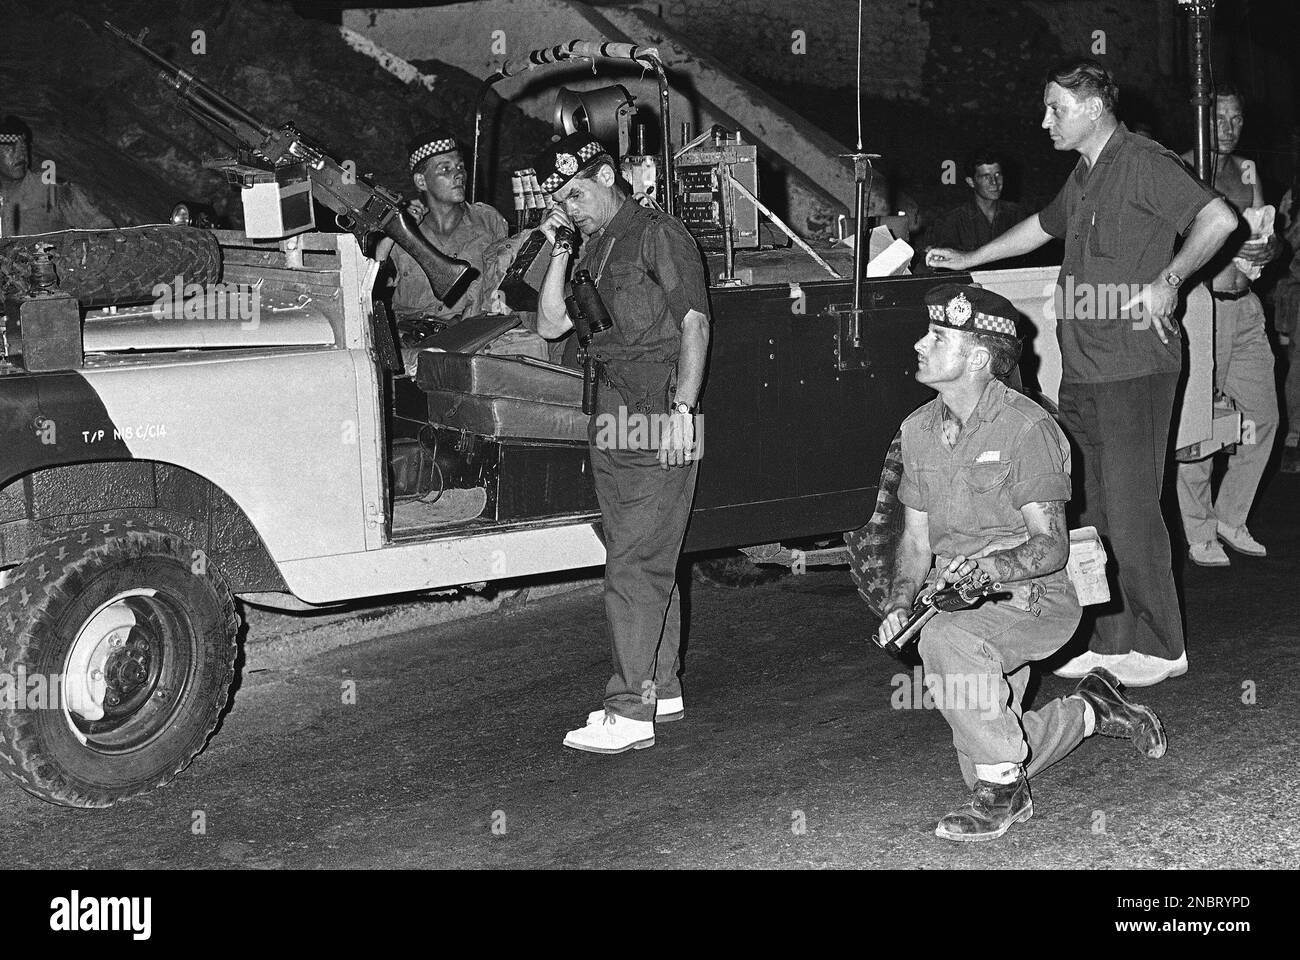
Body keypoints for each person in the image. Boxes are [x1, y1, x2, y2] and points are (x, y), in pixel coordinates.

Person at [927, 59, 1238, 688]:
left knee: (1130, 506)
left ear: (1093, 109)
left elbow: (1220, 219)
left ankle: (1161, 643)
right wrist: (971, 258)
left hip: (1134, 367)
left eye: (1055, 109)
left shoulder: (1142, 161)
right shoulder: (1086, 173)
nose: (1045, 121)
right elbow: (1041, 227)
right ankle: (1109, 635)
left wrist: (1168, 282)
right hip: (1086, 369)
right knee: (1091, 509)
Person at [878, 283, 1167, 842]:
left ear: (978, 359)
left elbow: (1050, 546)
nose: (920, 344)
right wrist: (897, 601)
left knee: (948, 647)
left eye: (937, 337)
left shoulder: (1028, 429)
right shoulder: (917, 431)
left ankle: (1005, 796)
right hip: (956, 599)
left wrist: (989, 571)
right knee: (984, 751)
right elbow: (914, 542)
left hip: (1034, 597)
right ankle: (1089, 710)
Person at [532, 131, 710, 754]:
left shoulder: (657, 234)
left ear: (608, 175)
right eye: (562, 198)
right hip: (609, 412)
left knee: (636, 558)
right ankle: (661, 685)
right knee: (632, 547)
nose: (571, 205)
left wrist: (684, 408)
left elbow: (695, 320)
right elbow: (552, 322)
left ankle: (629, 710)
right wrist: (558, 245)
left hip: (659, 406)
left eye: (576, 192)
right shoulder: (588, 246)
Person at [1176, 85, 1280, 566]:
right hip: (1203, 307)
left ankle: (1230, 516)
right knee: (1202, 423)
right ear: (1201, 116)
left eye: (1237, 119)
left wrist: (1268, 250)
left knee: (1263, 416)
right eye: (1220, 118)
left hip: (1246, 305)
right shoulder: (1180, 166)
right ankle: (1198, 531)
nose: (1229, 128)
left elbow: (1265, 234)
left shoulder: (1246, 170)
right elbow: (1175, 242)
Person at [0, 116, 113, 236]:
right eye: (10, 149)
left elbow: (103, 229)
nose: (20, 155)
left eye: (23, 147)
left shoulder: (52, 189)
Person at [927, 151, 1027, 267]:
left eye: (997, 175)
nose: (994, 182)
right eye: (986, 176)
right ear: (971, 182)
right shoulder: (953, 221)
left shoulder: (1017, 214)